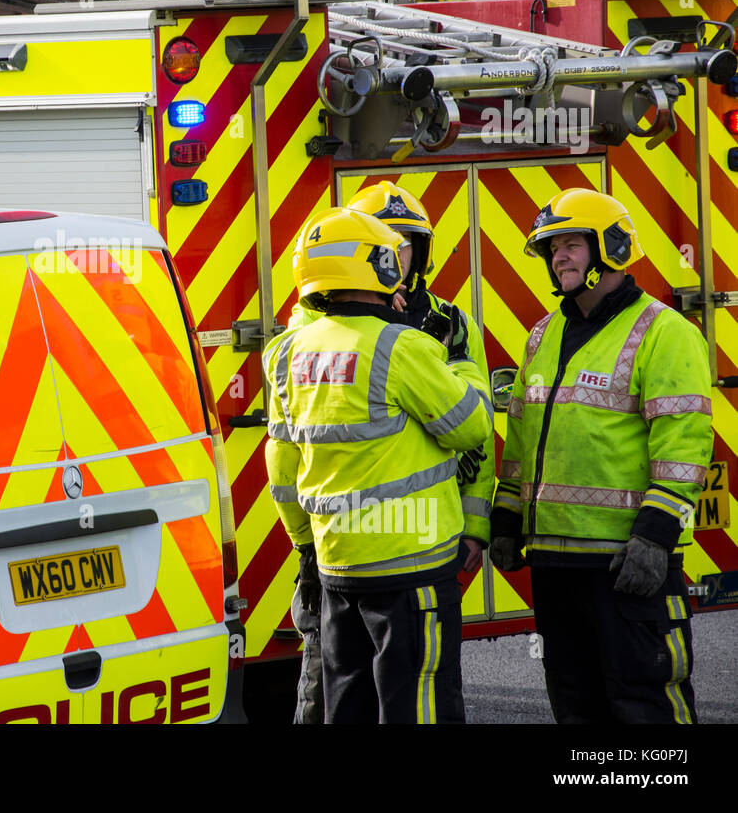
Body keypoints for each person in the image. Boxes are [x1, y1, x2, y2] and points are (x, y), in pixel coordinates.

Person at [266, 181, 493, 724]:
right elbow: (472, 427)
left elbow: (283, 463)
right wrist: (458, 371)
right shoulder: (410, 341)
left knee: (344, 702)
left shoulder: (289, 348)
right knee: (419, 704)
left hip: (338, 558)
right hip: (412, 557)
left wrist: (307, 542)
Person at [492, 188, 712, 724]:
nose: (558, 257)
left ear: (610, 247)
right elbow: (520, 437)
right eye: (551, 248)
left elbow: (682, 445)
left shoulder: (664, 332)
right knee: (574, 701)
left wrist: (655, 536)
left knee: (644, 700)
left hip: (626, 559)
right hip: (552, 561)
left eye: (571, 244)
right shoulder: (543, 334)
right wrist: (505, 516)